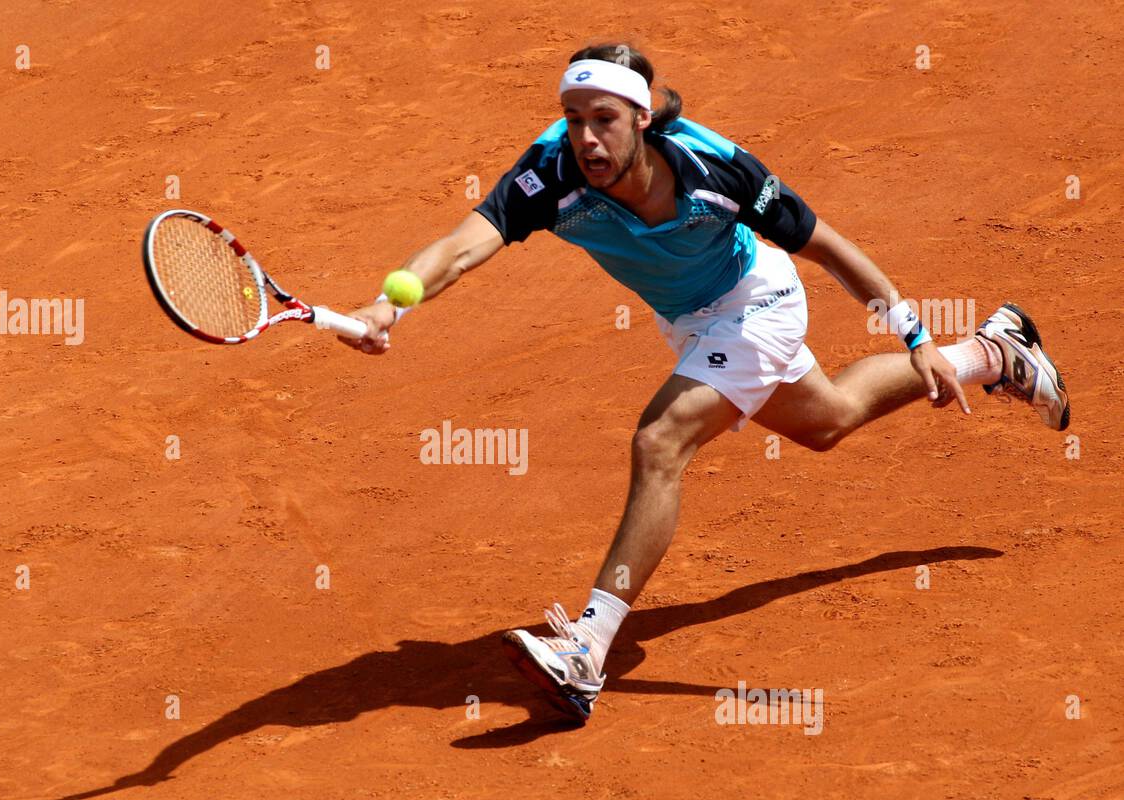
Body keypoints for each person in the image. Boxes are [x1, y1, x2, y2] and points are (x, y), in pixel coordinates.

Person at [343, 43, 1070, 724]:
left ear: (641, 117)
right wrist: (389, 304)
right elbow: (462, 248)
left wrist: (911, 331)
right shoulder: (549, 174)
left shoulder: (715, 168)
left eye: (603, 121)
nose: (586, 139)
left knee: (661, 440)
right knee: (829, 420)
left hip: (757, 302)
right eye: (574, 121)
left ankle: (585, 651)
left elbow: (827, 247)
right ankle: (994, 351)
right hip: (690, 320)